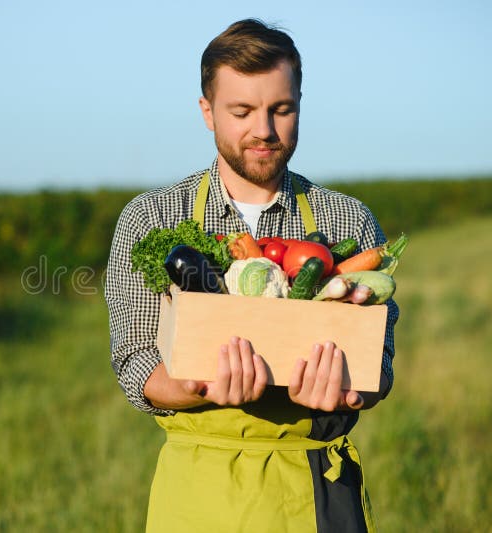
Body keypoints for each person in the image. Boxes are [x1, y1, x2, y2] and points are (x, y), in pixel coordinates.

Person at [105, 18, 398, 532]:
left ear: (300, 104)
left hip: (318, 487)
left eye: (281, 109)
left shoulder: (347, 220)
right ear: (207, 112)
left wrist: (352, 391)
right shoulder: (150, 218)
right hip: (200, 490)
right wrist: (200, 386)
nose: (263, 130)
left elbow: (381, 363)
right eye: (241, 111)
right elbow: (136, 367)